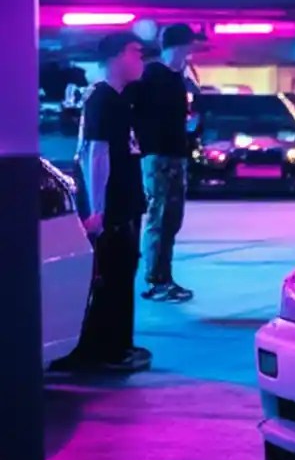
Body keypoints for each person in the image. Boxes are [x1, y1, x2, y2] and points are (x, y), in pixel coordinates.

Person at [55, 32, 153, 372]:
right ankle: (106, 349)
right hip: (112, 206)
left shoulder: (115, 98)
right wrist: (97, 209)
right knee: (111, 277)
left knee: (122, 273)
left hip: (123, 202)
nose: (141, 60)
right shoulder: (103, 99)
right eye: (136, 53)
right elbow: (96, 155)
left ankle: (118, 344)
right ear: (118, 56)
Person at [133, 23, 201, 302]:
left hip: (177, 154)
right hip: (158, 155)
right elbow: (136, 111)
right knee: (159, 218)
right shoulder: (152, 74)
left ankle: (165, 277)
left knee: (172, 219)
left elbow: (187, 114)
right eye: (190, 45)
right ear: (182, 45)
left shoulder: (179, 77)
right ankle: (155, 280)